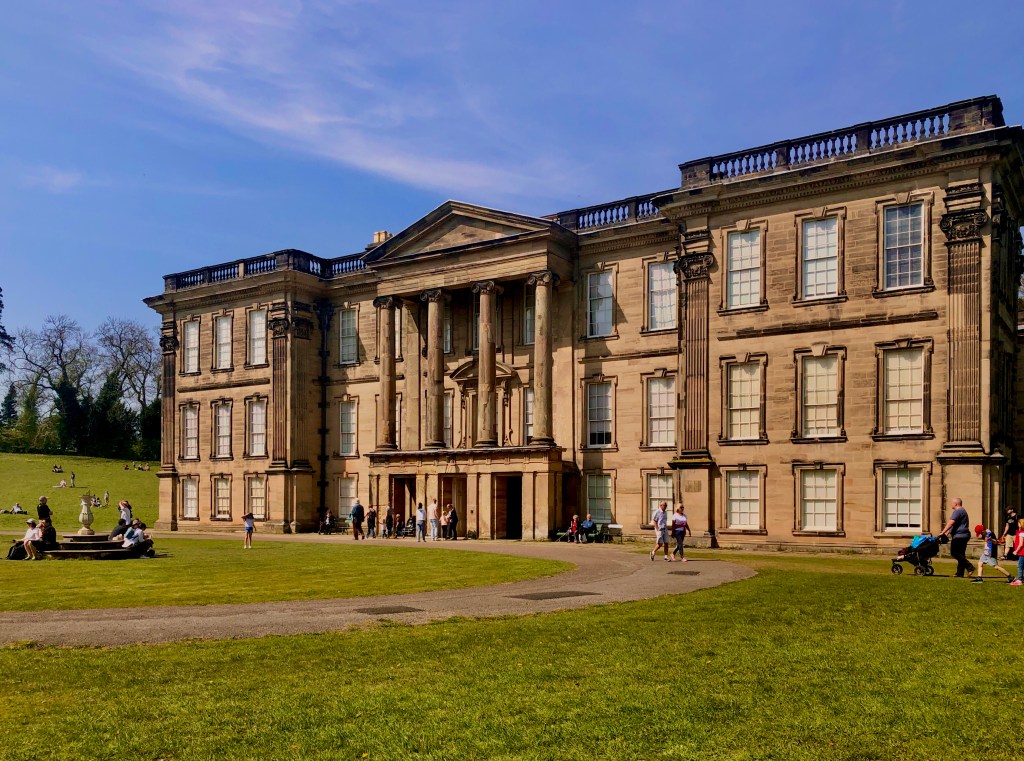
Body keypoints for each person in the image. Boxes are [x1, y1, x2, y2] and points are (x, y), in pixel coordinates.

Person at [937, 497, 973, 577]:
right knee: (961, 554)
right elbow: (955, 525)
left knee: (954, 553)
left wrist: (942, 532)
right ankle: (960, 573)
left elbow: (951, 523)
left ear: (956, 504)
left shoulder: (958, 511)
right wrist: (947, 533)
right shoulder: (963, 511)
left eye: (952, 503)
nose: (950, 504)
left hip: (959, 536)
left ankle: (970, 567)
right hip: (964, 535)